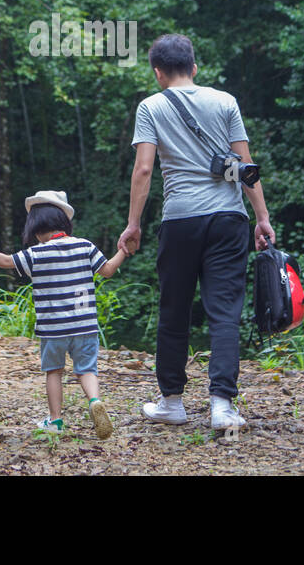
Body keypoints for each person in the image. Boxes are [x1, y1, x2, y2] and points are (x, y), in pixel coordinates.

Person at [117, 34, 274, 431]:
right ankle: (222, 406)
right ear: (195, 67)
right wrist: (262, 218)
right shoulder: (225, 102)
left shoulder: (151, 106)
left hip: (180, 220)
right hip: (228, 218)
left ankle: (172, 402)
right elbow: (246, 165)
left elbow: (144, 170)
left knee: (174, 310)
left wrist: (134, 223)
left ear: (157, 73)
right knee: (224, 312)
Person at [0, 190, 129, 438]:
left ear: (36, 228)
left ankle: (55, 421)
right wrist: (124, 251)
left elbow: (7, 261)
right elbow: (107, 270)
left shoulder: (37, 253)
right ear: (64, 222)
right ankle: (95, 401)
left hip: (53, 329)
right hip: (85, 325)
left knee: (54, 371)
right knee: (86, 370)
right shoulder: (85, 245)